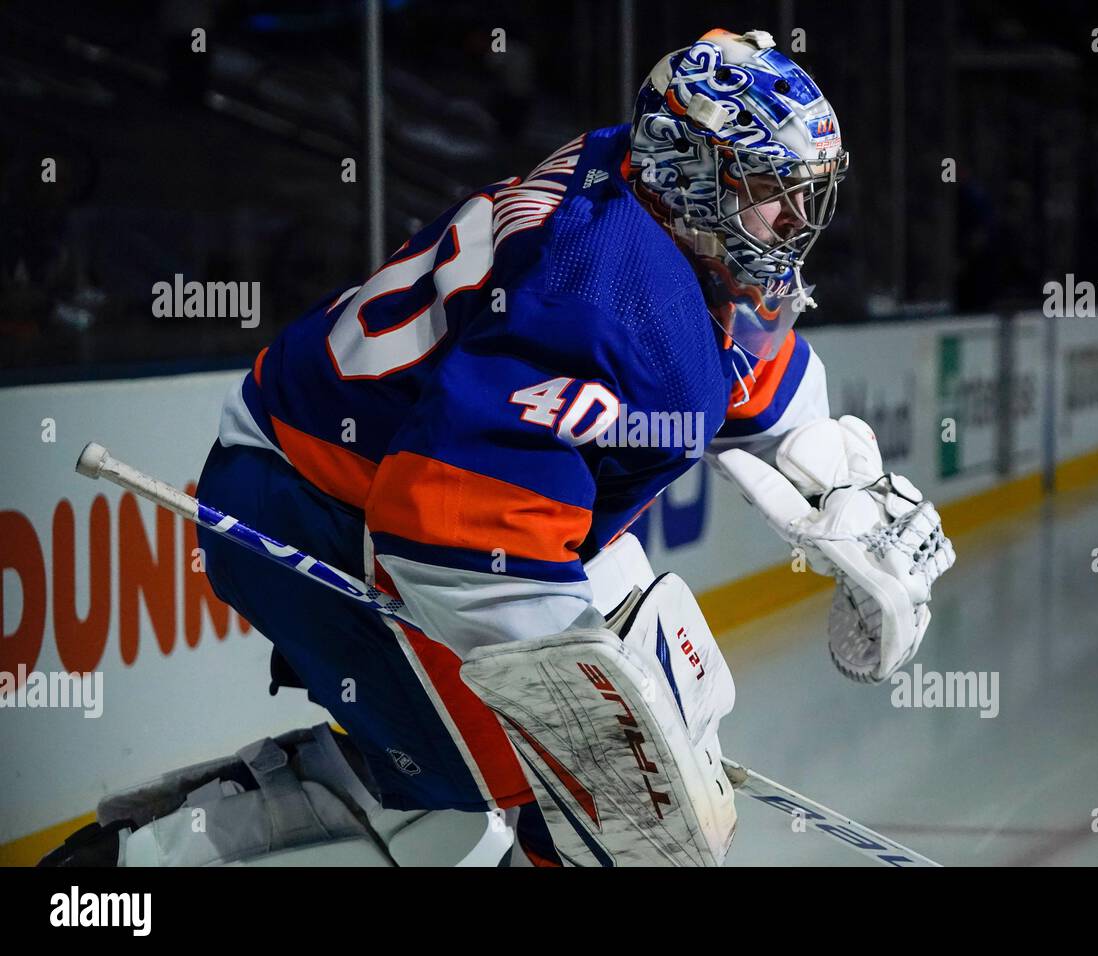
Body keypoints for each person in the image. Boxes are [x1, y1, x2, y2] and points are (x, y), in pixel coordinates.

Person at [193, 27, 953, 866]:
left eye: (806, 191)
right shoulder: (610, 297)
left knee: (565, 787)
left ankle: (332, 785)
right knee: (525, 816)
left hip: (401, 483)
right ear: (690, 171)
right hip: (311, 503)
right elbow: (448, 527)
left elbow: (741, 359)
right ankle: (174, 851)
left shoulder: (646, 187)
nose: (795, 221)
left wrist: (837, 479)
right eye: (772, 189)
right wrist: (593, 732)